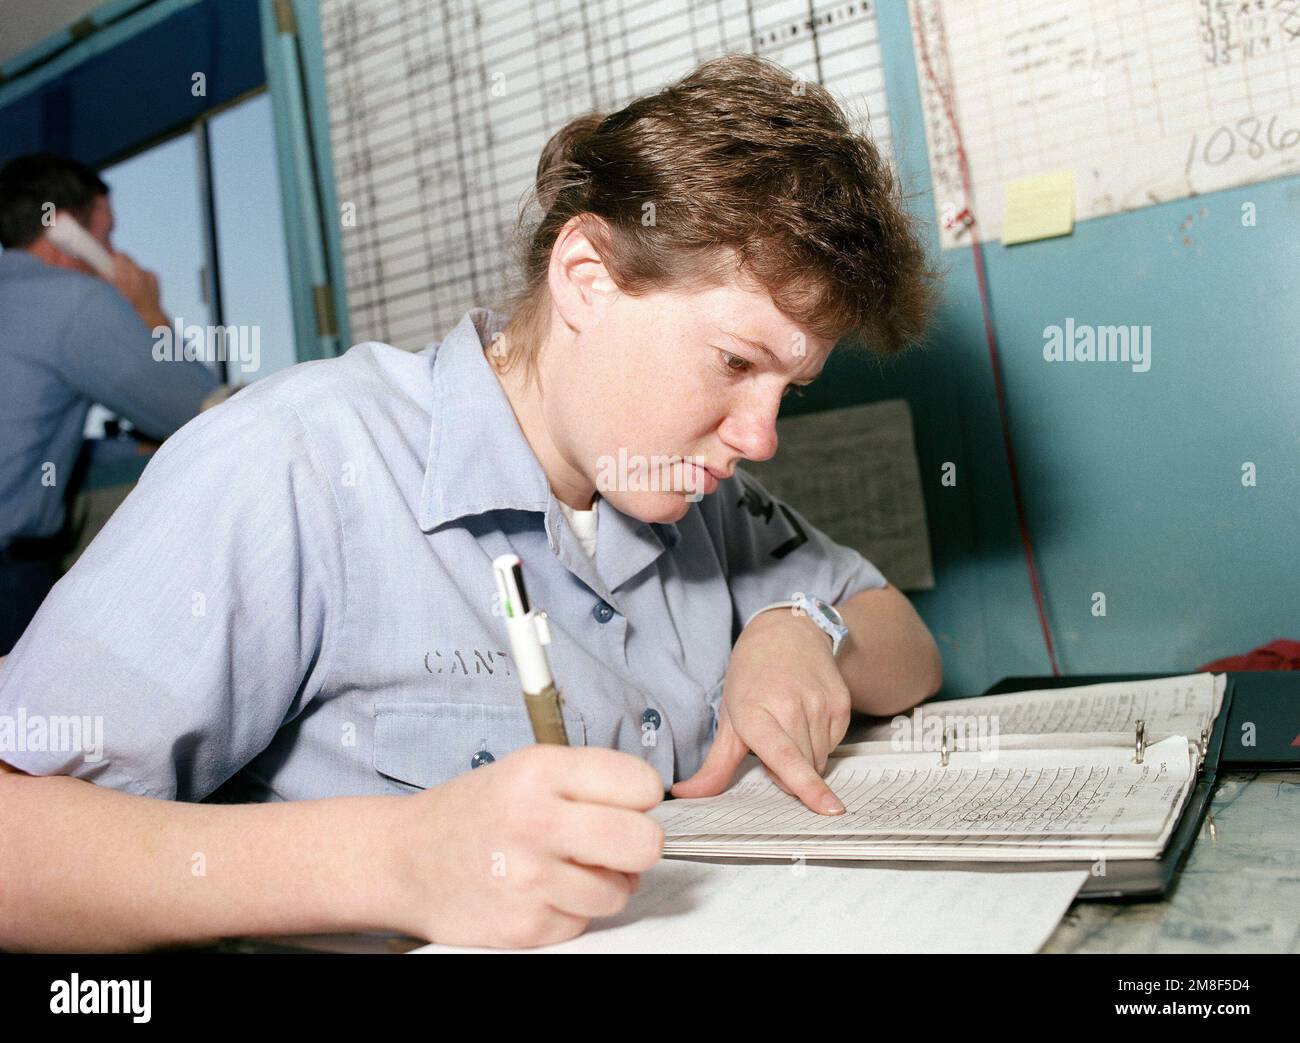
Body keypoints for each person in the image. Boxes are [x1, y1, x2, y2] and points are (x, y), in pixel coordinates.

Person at [0, 54, 942, 951]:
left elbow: (907, 649)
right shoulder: (299, 458)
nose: (760, 436)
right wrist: (394, 858)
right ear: (587, 276)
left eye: (790, 388)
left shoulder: (691, 487)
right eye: (736, 363)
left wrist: (797, 625)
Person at [0, 153, 235, 653]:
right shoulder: (75, 300)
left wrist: (120, 454)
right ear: (65, 231)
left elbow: (24, 432)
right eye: (106, 236)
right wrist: (148, 308)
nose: (113, 251)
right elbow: (208, 414)